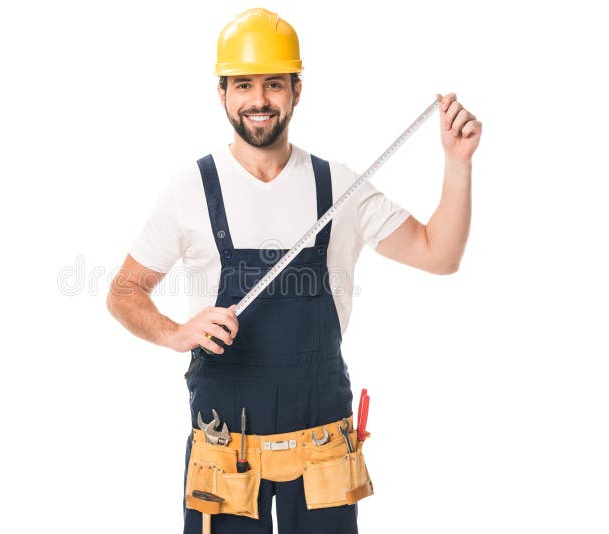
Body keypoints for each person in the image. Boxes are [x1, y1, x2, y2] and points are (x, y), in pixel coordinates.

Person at [106, 8, 481, 534]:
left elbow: (440, 254)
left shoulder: (340, 187)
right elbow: (124, 291)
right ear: (223, 93)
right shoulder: (189, 190)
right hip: (224, 451)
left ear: (296, 91)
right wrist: (175, 333)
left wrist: (457, 163)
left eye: (273, 84)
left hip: (323, 451)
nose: (258, 100)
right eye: (243, 85)